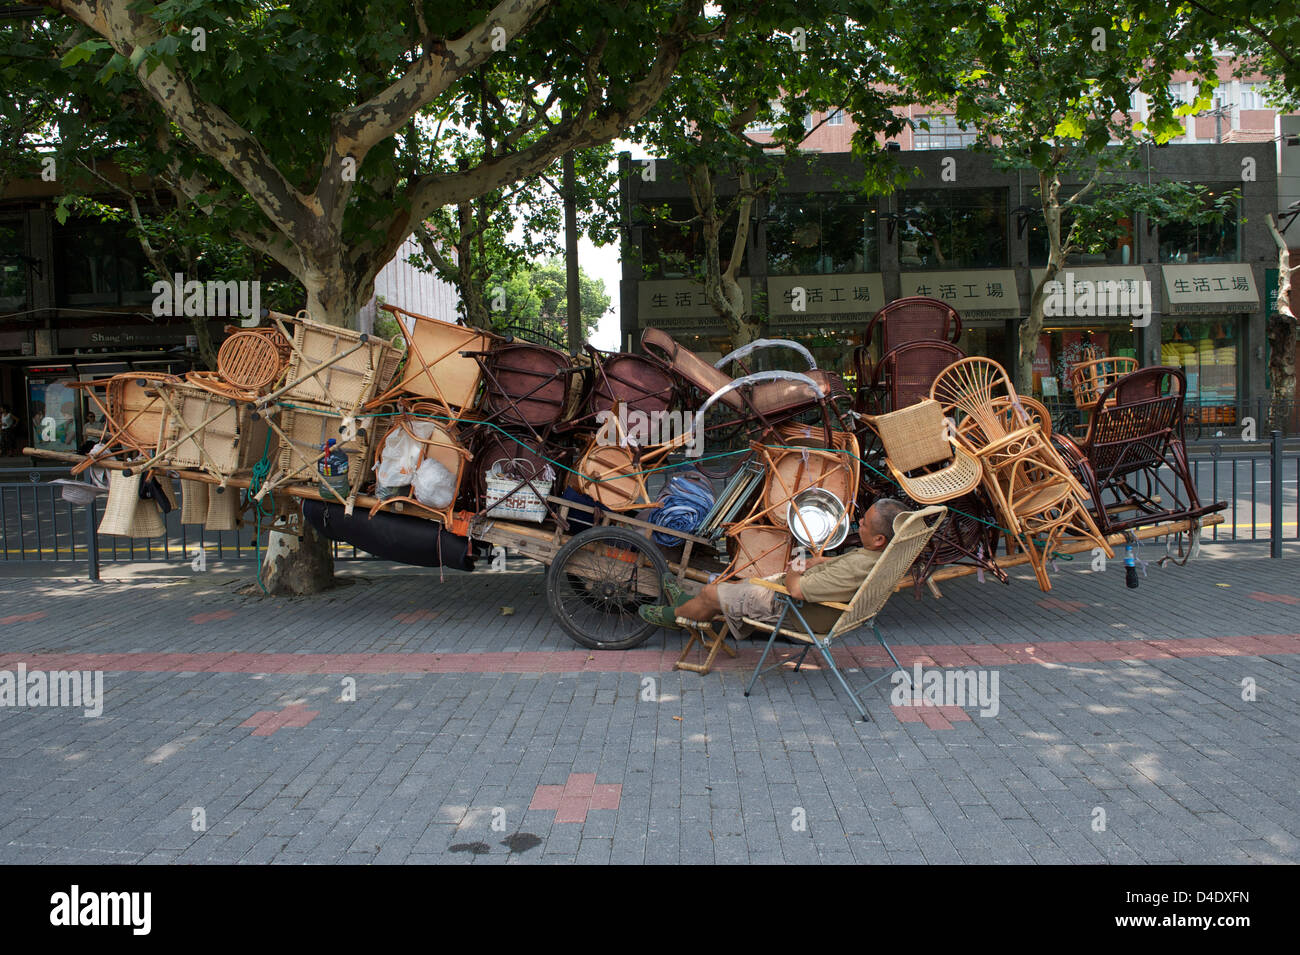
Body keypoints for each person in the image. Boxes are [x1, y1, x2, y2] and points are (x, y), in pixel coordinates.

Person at [640, 498, 910, 636]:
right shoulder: (879, 557)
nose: (858, 523)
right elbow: (838, 565)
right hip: (798, 601)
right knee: (731, 587)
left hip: (792, 610)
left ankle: (675, 616)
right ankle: (689, 604)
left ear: (878, 539)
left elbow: (796, 591)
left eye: (864, 523)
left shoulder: (856, 568)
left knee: (712, 593)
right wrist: (814, 561)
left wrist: (795, 567)